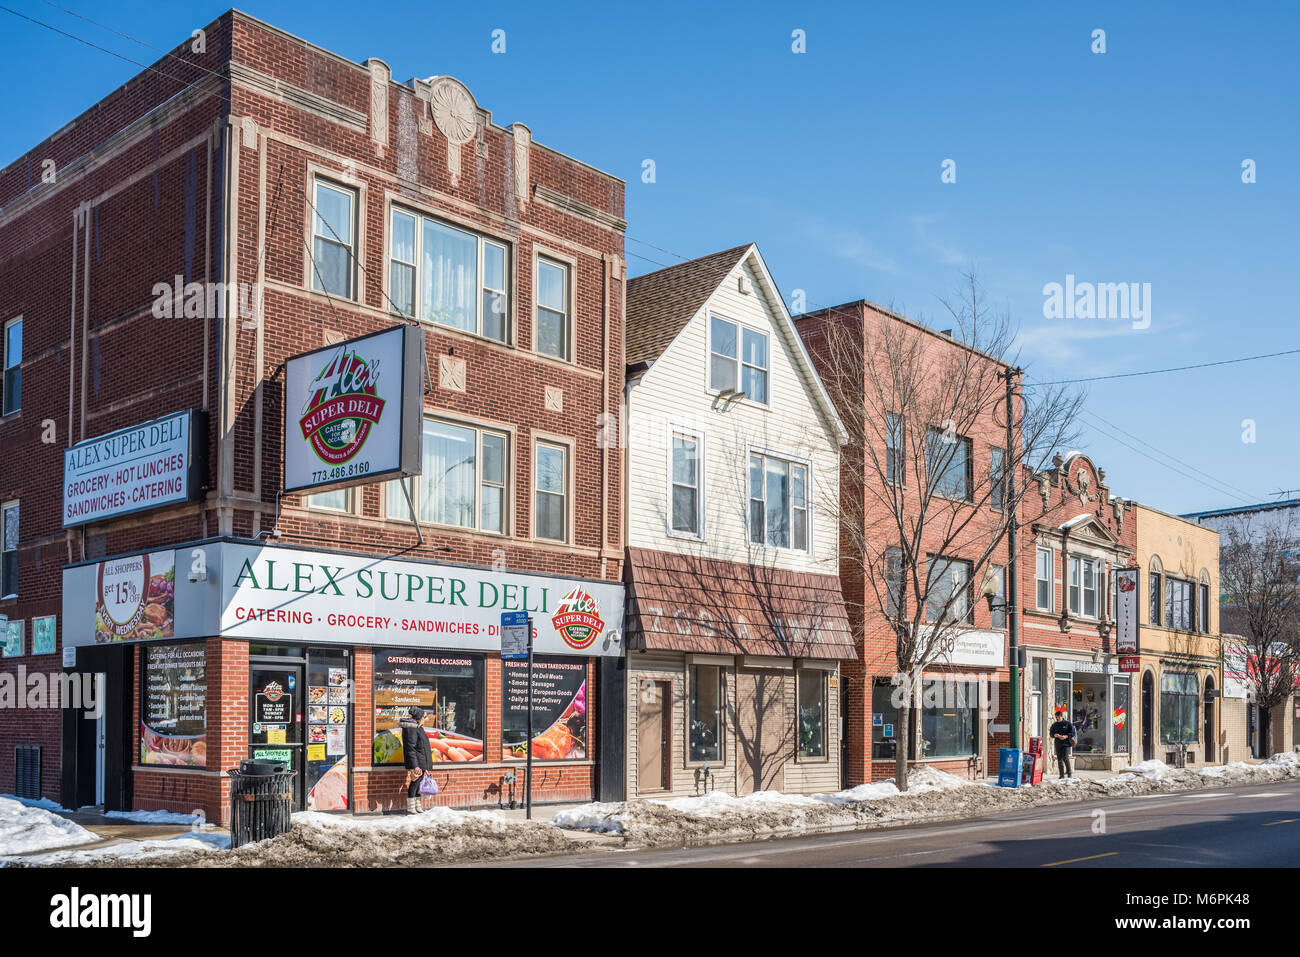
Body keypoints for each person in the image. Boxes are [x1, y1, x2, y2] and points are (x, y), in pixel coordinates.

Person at [400, 706, 434, 813]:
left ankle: (417, 805)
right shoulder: (411, 729)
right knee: (415, 782)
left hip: (422, 761)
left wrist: (427, 764)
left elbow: (423, 746)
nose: (425, 718)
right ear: (419, 717)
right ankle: (411, 807)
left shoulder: (419, 727)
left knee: (419, 783)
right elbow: (411, 748)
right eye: (424, 716)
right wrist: (415, 765)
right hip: (417, 762)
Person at [1048, 709, 1076, 780]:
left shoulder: (1067, 723)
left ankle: (1069, 773)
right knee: (1059, 760)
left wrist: (1066, 736)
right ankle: (1061, 775)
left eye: (1058, 717)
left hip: (1066, 744)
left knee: (1065, 758)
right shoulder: (1054, 725)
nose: (1057, 719)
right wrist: (1055, 735)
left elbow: (1073, 733)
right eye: (1056, 717)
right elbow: (1051, 733)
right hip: (1058, 744)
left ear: (1061, 716)